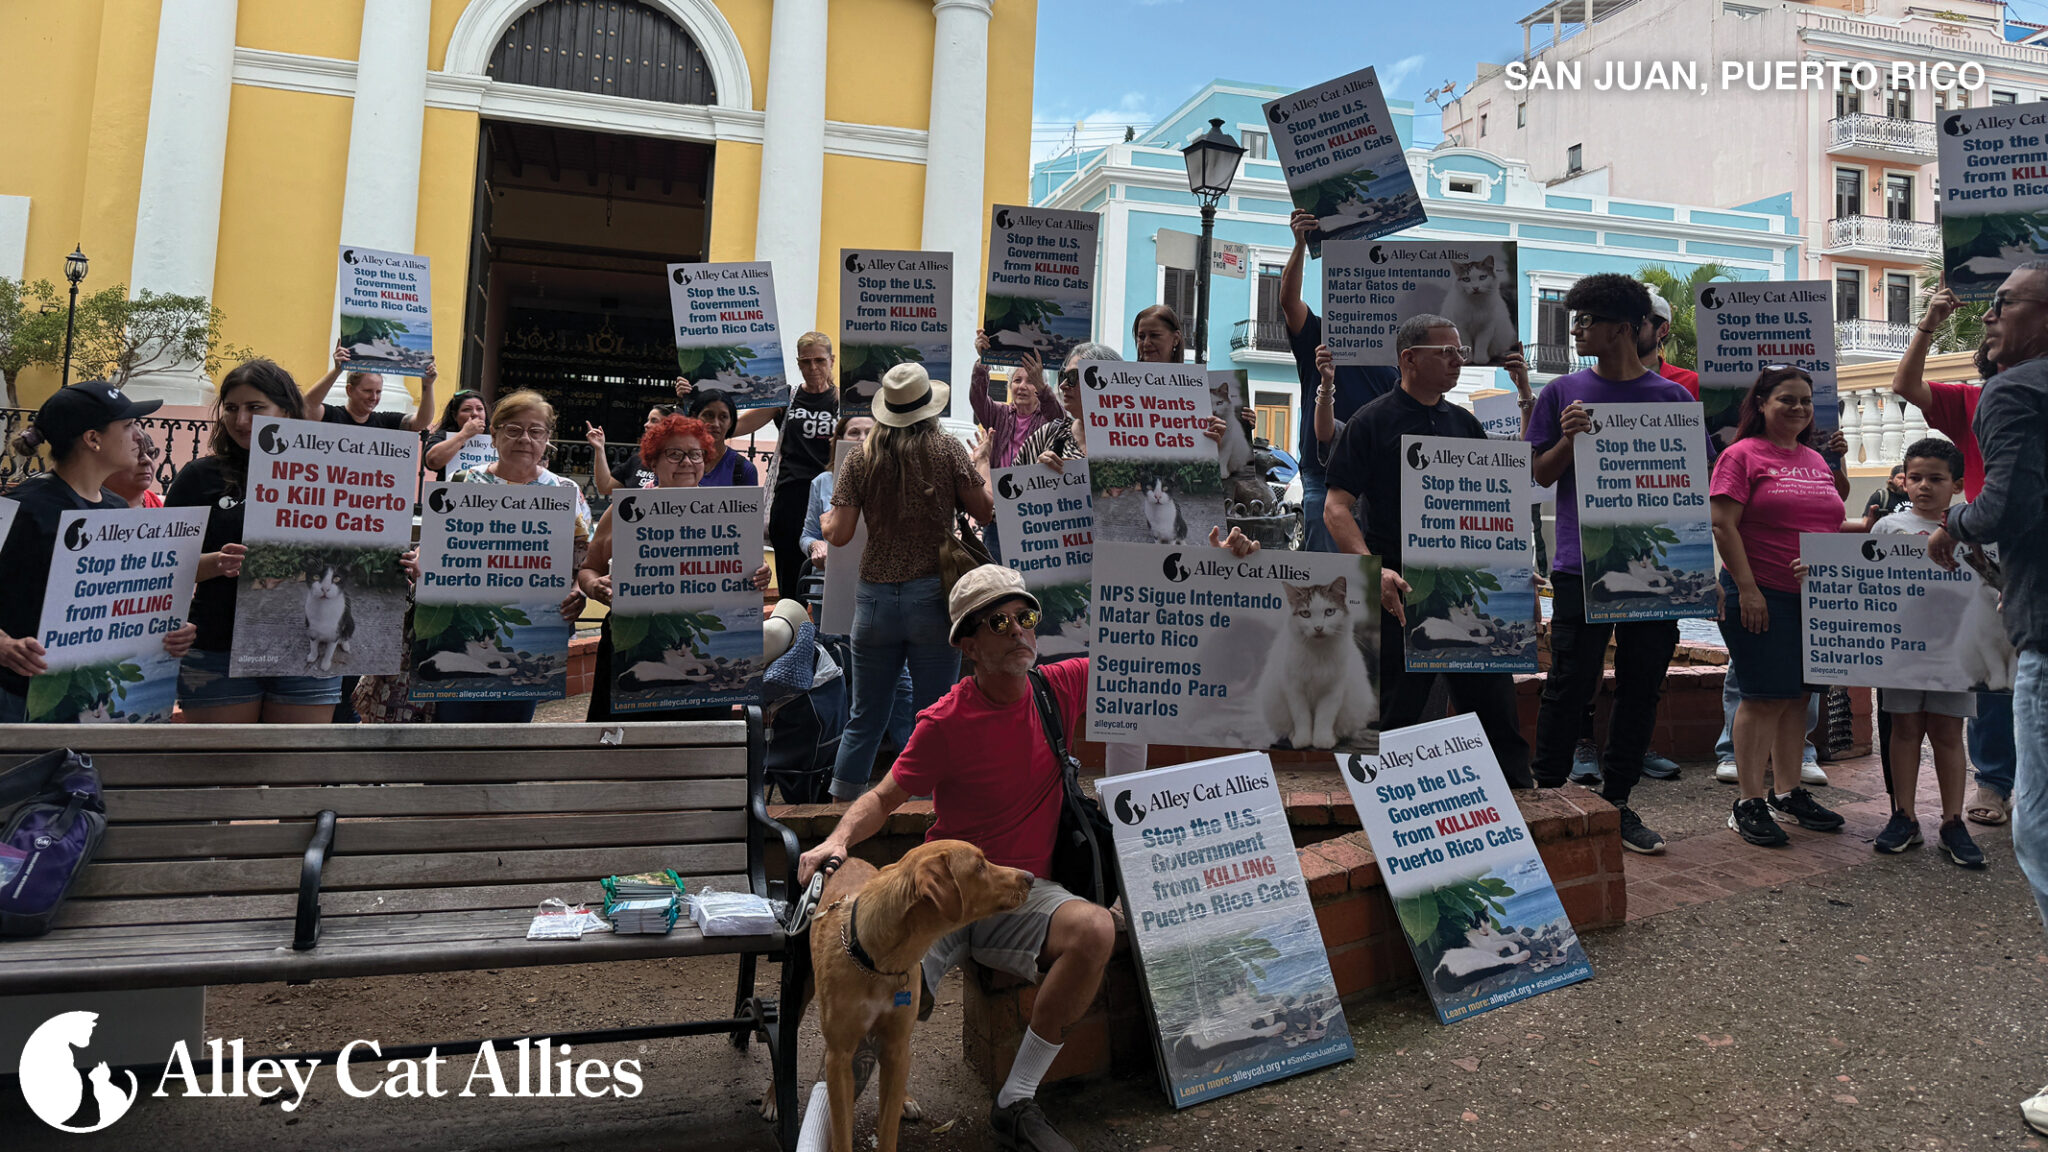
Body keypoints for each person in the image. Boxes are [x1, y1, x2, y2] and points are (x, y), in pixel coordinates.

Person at [795, 553, 1255, 1152]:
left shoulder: (1059, 687)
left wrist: (1222, 570)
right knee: (871, 997)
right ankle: (813, 1138)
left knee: (1095, 929)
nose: (1017, 631)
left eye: (1025, 617)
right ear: (969, 646)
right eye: (998, 622)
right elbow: (884, 798)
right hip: (947, 900)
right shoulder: (945, 721)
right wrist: (837, 839)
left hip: (1021, 890)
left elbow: (1160, 651)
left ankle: (1016, 1100)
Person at [1923, 264, 2048, 1135]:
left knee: (2040, 834)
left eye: (2002, 303)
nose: (1989, 317)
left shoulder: (2013, 392)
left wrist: (1953, 524)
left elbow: (2004, 507)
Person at [1320, 315, 1533, 785]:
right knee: (1394, 716)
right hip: (1399, 591)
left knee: (1497, 716)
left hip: (1468, 593)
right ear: (1409, 359)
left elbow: (1491, 505)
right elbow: (1335, 509)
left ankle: (1520, 805)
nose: (1459, 361)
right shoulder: (1371, 422)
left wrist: (1516, 570)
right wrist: (1373, 571)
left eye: (1461, 352)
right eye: (1447, 352)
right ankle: (1378, 808)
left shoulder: (1465, 425)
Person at [1524, 274, 1693, 855]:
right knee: (1570, 682)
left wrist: (1698, 570)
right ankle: (1548, 797)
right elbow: (1539, 474)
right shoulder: (1562, 393)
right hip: (1580, 563)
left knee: (1642, 686)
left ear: (1623, 327)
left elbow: (1687, 486)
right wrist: (1570, 440)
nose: (1575, 331)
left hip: (1657, 566)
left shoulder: (1674, 400)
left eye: (1586, 321)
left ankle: (1617, 800)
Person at [821, 363, 995, 799]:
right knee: (934, 714)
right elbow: (985, 511)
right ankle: (925, 807)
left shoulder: (861, 457)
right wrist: (982, 463)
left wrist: (824, 521)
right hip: (932, 597)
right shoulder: (947, 449)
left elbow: (838, 535)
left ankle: (839, 809)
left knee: (865, 717)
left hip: (873, 600)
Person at [1710, 365, 1851, 848]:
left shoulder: (1815, 459)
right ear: (1762, 404)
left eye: (1805, 401)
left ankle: (1788, 793)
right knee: (1763, 696)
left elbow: (1829, 523)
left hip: (1816, 597)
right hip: (1761, 593)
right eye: (1786, 399)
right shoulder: (1741, 455)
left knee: (1797, 698)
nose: (1798, 408)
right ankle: (1748, 801)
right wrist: (1748, 589)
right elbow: (1723, 524)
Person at [0, 382, 197, 721]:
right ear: (93, 439)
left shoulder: (117, 508)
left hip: (92, 704)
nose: (139, 436)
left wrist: (165, 629)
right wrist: (3, 645)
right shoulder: (21, 507)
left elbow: (121, 599)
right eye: (129, 425)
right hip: (18, 702)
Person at [1895, 285, 2017, 829]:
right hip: (1992, 555)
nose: (1992, 323)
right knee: (1992, 673)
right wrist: (1930, 321)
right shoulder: (1972, 402)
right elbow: (1906, 386)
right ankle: (1994, 781)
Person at [1827, 439, 1982, 863]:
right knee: (1905, 728)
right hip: (1900, 651)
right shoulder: (1887, 528)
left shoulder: (1974, 528)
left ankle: (1953, 821)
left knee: (1948, 732)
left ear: (1957, 484)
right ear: (1903, 481)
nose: (1924, 486)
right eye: (1915, 477)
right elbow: (1859, 579)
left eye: (1936, 478)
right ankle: (1904, 815)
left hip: (1955, 652)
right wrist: (1817, 574)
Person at [166, 360, 343, 723]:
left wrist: (398, 562)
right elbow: (163, 569)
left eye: (255, 407)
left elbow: (356, 555)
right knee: (226, 759)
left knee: (295, 759)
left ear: (288, 411)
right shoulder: (199, 477)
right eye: (231, 408)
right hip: (219, 646)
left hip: (307, 647)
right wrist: (216, 563)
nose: (241, 420)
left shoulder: (331, 475)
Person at [575, 413, 771, 722]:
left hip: (700, 647)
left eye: (696, 454)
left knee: (700, 739)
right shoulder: (625, 508)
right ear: (653, 461)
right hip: (631, 645)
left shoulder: (727, 512)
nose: (687, 462)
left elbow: (746, 572)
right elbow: (589, 568)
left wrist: (760, 575)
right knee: (623, 742)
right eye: (675, 454)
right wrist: (594, 586)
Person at [436, 390, 593, 724]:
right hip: (464, 626)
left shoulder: (565, 492)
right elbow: (438, 547)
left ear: (547, 439)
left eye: (536, 431)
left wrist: (578, 592)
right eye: (513, 429)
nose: (525, 439)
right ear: (494, 435)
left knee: (512, 727)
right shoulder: (464, 482)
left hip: (534, 629)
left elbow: (585, 559)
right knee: (452, 728)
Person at [1277, 208, 1401, 551]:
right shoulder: (1316, 333)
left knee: (1374, 572)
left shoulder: (1395, 351)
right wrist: (1299, 245)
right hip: (1324, 472)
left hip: (1377, 476)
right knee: (1328, 574)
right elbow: (1288, 300)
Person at [766, 332, 842, 600]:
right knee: (790, 586)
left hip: (832, 500)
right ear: (798, 363)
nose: (813, 367)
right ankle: (793, 626)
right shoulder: (787, 397)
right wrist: (696, 399)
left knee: (833, 583)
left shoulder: (845, 402)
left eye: (819, 360)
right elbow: (734, 423)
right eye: (806, 361)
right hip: (791, 498)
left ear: (832, 360)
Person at [968, 335, 1065, 469]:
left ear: (1040, 385)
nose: (1022, 386)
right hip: (998, 481)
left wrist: (1042, 388)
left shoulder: (1047, 417)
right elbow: (977, 398)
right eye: (1017, 380)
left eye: (1031, 381)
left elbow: (1060, 420)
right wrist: (984, 358)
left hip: (1033, 481)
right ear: (1010, 386)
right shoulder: (999, 413)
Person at [302, 344, 435, 431]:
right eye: (367, 391)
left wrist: (427, 385)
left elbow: (421, 422)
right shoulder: (332, 415)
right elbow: (307, 407)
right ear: (349, 390)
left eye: (378, 392)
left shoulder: (385, 422)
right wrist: (337, 371)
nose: (374, 397)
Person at [588, 404, 676, 496]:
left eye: (654, 421)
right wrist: (599, 449)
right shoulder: (637, 459)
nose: (646, 425)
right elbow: (605, 487)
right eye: (648, 420)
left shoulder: (681, 464)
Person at [687, 389, 761, 487]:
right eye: (709, 415)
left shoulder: (744, 469)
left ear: (731, 423)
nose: (715, 424)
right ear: (694, 417)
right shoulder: (676, 462)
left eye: (723, 417)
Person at [422, 389, 493, 480]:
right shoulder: (443, 435)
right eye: (467, 410)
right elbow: (432, 461)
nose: (475, 414)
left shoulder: (495, 437)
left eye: (479, 409)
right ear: (455, 416)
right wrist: (464, 434)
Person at [105, 430, 163, 508]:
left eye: (150, 454)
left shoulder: (161, 506)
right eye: (135, 453)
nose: (148, 460)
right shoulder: (89, 506)